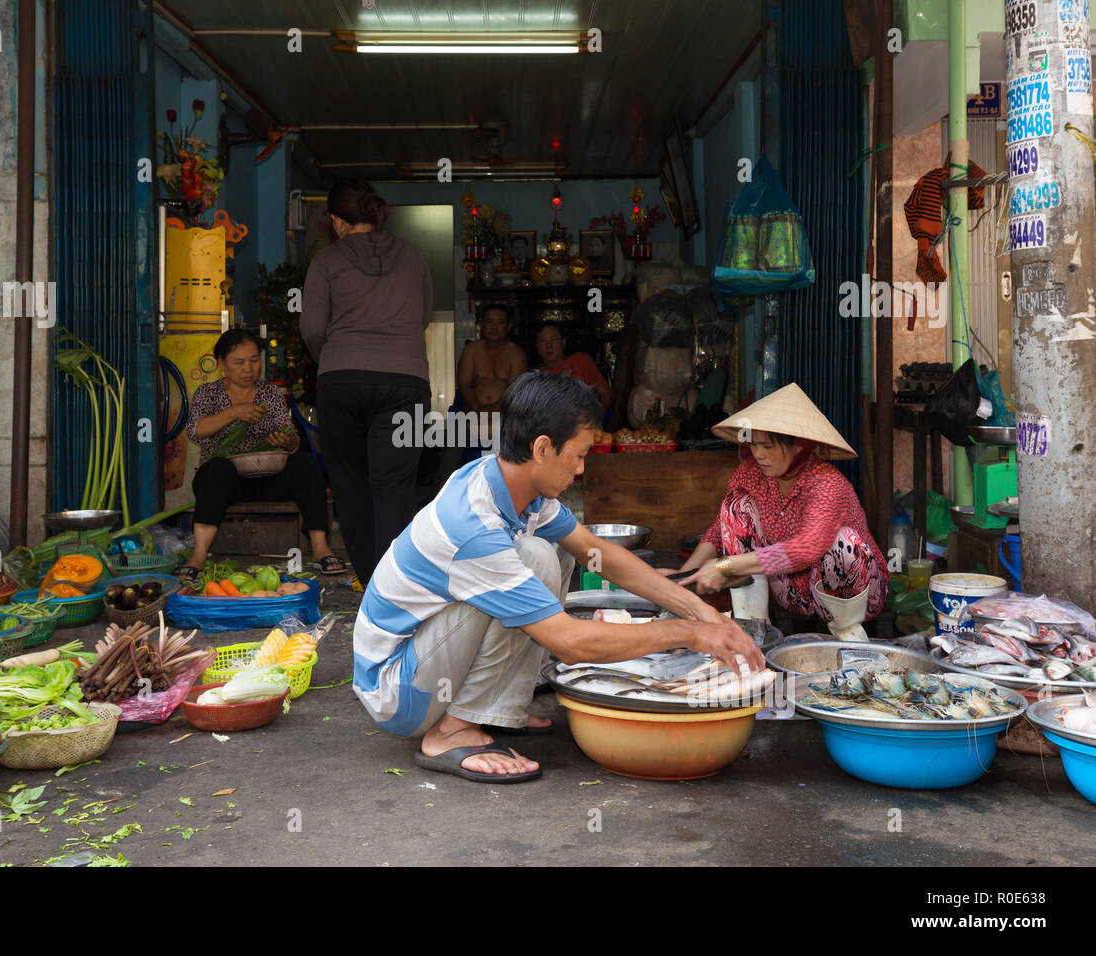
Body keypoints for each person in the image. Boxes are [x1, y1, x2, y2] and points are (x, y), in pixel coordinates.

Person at [353, 371, 763, 784]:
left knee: (543, 554)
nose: (583, 469)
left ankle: (495, 707)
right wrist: (690, 634)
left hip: (427, 660)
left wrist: (702, 613)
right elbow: (569, 641)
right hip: (397, 689)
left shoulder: (512, 484)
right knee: (532, 561)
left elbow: (599, 554)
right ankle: (451, 732)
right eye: (579, 454)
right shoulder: (473, 525)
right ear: (543, 448)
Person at [674, 383, 890, 641]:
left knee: (844, 543)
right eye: (754, 445)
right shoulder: (750, 473)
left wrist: (725, 566)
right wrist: (682, 578)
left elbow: (807, 548)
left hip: (850, 595)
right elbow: (720, 529)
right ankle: (752, 626)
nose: (758, 454)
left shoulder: (827, 483)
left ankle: (848, 636)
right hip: (788, 589)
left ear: (799, 445)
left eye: (768, 447)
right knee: (736, 506)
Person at [301, 179, 432, 588]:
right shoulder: (412, 255)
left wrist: (337, 360)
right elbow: (423, 316)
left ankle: (370, 582)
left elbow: (311, 327)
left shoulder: (327, 260)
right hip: (406, 381)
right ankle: (397, 586)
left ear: (338, 221)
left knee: (350, 481)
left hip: (342, 381)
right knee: (394, 485)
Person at [177, 330, 345, 579]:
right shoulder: (208, 393)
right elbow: (195, 430)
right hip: (226, 483)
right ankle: (198, 556)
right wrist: (234, 412)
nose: (249, 368)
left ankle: (320, 549)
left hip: (269, 477)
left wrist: (288, 441)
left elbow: (291, 440)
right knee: (217, 469)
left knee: (306, 465)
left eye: (254, 360)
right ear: (221, 363)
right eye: (239, 362)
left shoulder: (270, 394)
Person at [458, 305, 526, 416]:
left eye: (500, 322)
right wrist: (477, 408)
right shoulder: (471, 350)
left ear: (508, 326)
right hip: (474, 410)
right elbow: (463, 383)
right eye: (489, 322)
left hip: (507, 413)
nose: (494, 327)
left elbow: (515, 388)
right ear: (481, 325)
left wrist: (496, 409)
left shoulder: (516, 353)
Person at [534, 322, 611, 409]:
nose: (549, 346)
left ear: (563, 342)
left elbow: (606, 394)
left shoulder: (581, 360)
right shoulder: (535, 376)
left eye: (554, 339)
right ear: (537, 346)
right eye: (543, 341)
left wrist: (595, 418)